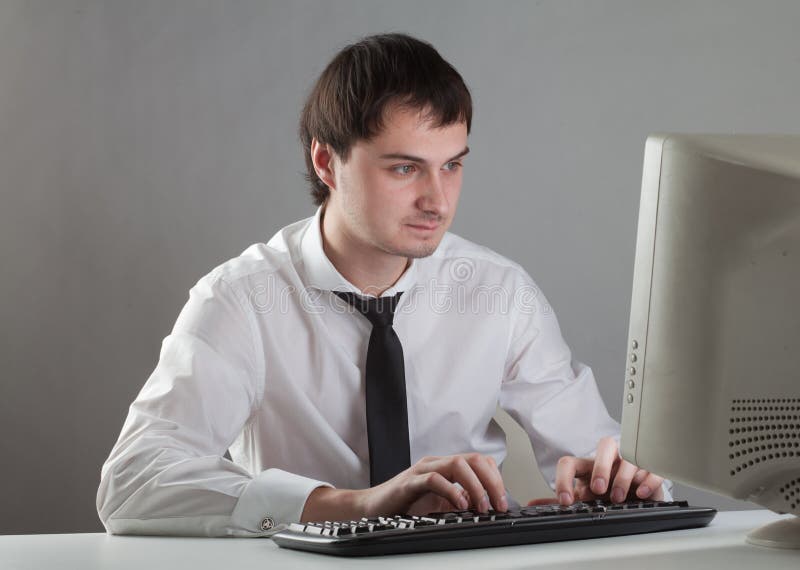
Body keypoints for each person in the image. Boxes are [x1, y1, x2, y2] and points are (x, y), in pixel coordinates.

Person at [96, 33, 669, 537]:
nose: (437, 201)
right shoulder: (243, 299)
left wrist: (611, 482)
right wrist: (353, 506)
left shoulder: (500, 291)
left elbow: (600, 453)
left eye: (452, 165)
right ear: (327, 162)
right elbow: (134, 479)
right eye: (404, 168)